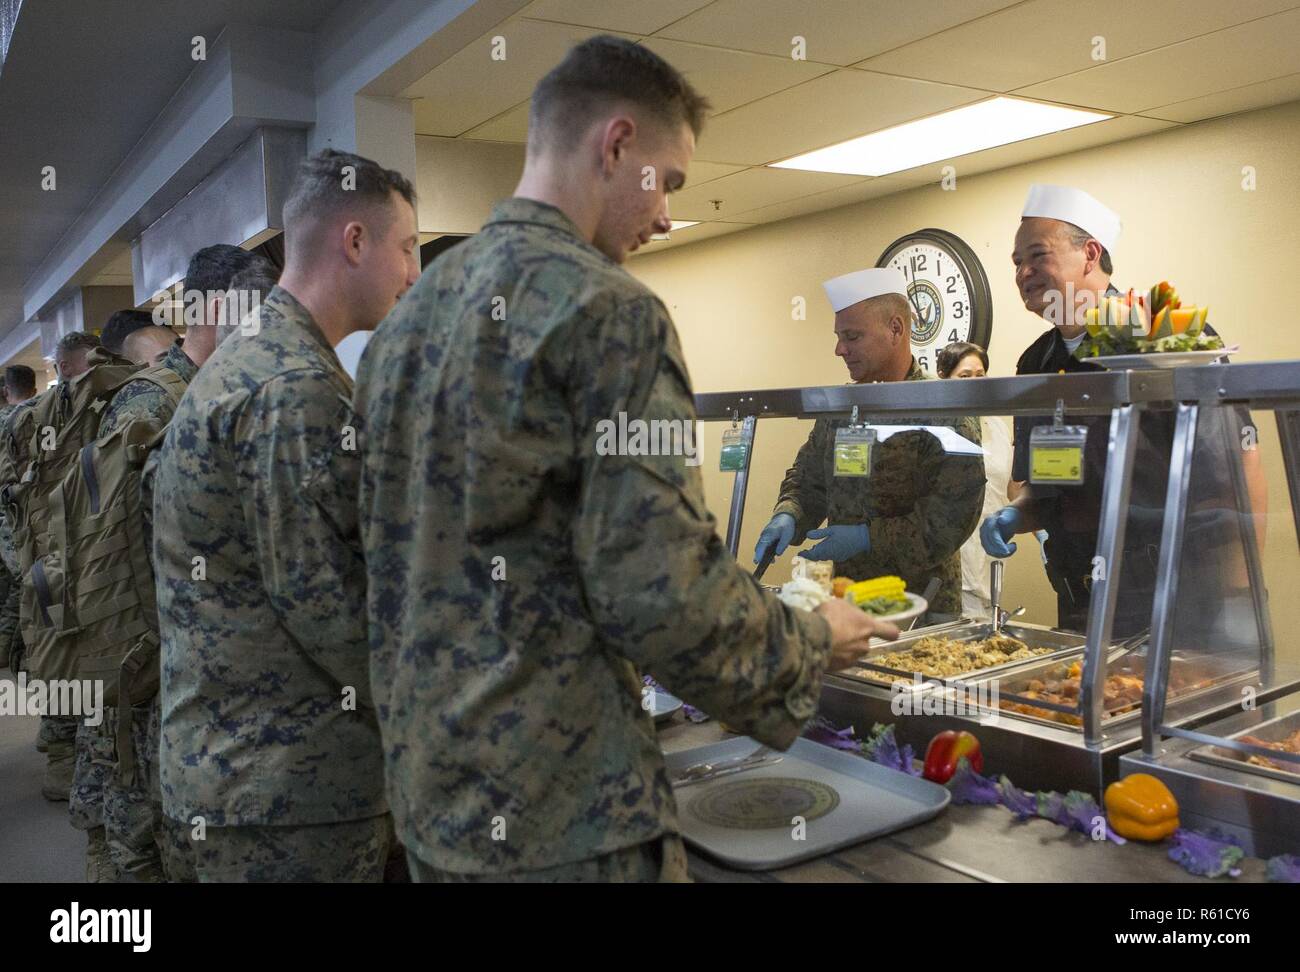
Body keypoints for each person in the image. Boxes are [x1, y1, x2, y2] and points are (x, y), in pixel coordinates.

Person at [353, 35, 891, 884]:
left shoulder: (403, 326)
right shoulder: (612, 315)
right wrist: (812, 638)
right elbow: (662, 593)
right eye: (670, 181)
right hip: (566, 818)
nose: (670, 213)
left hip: (438, 800)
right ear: (616, 146)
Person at [149, 150, 419, 882]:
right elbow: (332, 610)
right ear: (355, 242)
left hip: (238, 776)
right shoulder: (291, 388)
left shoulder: (254, 362)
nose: (413, 274)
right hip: (289, 802)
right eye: (408, 249)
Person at [981, 185, 1265, 634]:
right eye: (1017, 262)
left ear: (1090, 253)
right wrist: (1019, 512)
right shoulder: (1035, 362)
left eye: (1038, 255)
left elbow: (1239, 465)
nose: (1024, 272)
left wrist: (1237, 595)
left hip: (1176, 598)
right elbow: (1048, 485)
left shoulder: (1160, 332)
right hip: (1079, 598)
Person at [754, 267, 986, 621]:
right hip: (849, 600)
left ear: (896, 328)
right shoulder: (841, 409)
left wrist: (868, 538)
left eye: (852, 336)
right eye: (838, 336)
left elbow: (951, 517)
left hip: (923, 607)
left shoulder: (943, 409)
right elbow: (809, 477)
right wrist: (789, 513)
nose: (839, 349)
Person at [936, 342, 1017, 620]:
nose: (974, 383)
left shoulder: (996, 424)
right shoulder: (937, 428)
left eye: (980, 376)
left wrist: (1040, 528)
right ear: (943, 378)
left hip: (991, 551)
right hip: (950, 556)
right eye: (964, 376)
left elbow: (1011, 485)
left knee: (986, 626)